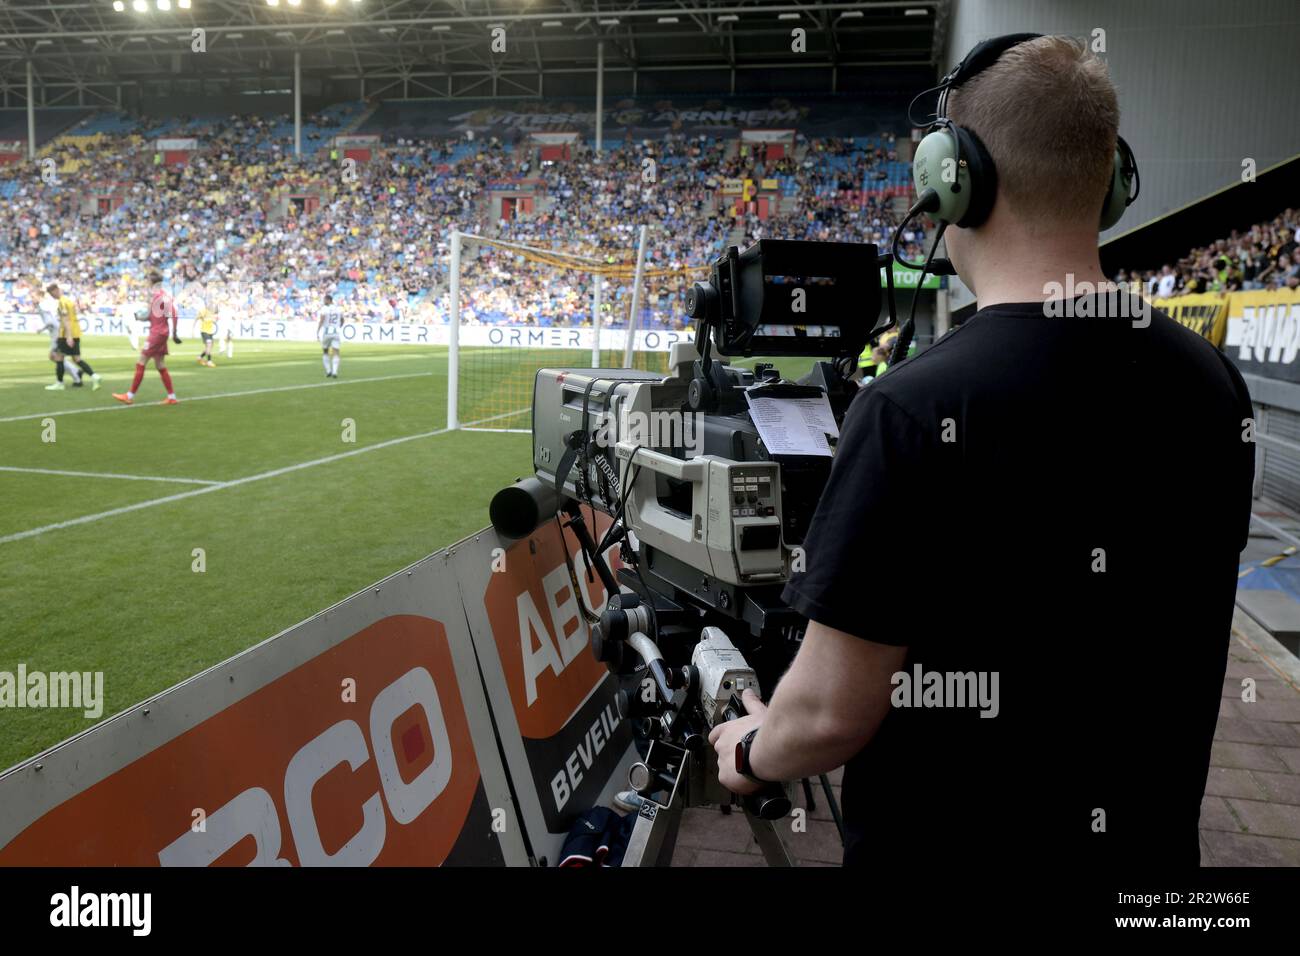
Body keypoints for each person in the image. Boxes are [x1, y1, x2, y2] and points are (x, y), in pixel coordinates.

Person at [709, 34, 1254, 868]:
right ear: (1110, 185)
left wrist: (747, 749)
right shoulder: (1213, 383)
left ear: (952, 179)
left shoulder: (913, 408)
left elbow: (828, 718)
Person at [113, 271, 182, 406]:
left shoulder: (158, 297)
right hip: (162, 332)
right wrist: (139, 317)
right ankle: (172, 396)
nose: (146, 285)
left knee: (142, 360)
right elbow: (163, 315)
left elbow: (168, 314)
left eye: (147, 282)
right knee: (160, 364)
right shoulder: (162, 296)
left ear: (152, 283)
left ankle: (129, 395)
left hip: (157, 334)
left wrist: (174, 333)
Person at [47, 283, 102, 391]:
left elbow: (66, 319)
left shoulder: (62, 302)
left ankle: (59, 383)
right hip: (76, 332)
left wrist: (68, 336)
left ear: (55, 291)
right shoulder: (68, 301)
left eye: (51, 293)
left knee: (59, 357)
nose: (51, 296)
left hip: (67, 334)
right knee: (77, 359)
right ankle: (94, 376)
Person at [32, 277, 82, 391]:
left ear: (39, 297)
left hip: (56, 334)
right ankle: (76, 373)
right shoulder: (43, 305)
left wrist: (40, 329)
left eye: (33, 297)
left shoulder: (43, 306)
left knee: (55, 356)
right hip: (56, 333)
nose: (31, 299)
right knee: (56, 357)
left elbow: (50, 321)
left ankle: (73, 376)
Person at [316, 294, 344, 378]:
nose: (324, 302)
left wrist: (318, 331)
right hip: (336, 332)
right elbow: (342, 320)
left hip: (327, 333)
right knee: (336, 352)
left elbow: (322, 320)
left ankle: (328, 371)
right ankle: (335, 372)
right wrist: (339, 326)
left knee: (325, 351)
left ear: (329, 300)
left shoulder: (324, 309)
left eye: (324, 300)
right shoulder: (339, 309)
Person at [194, 301, 219, 367]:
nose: (211, 306)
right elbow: (197, 318)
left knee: (210, 346)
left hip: (210, 332)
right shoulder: (203, 311)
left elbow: (212, 321)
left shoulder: (211, 313)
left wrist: (215, 319)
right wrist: (192, 329)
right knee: (209, 345)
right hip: (204, 331)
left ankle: (199, 357)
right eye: (210, 304)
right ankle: (209, 361)